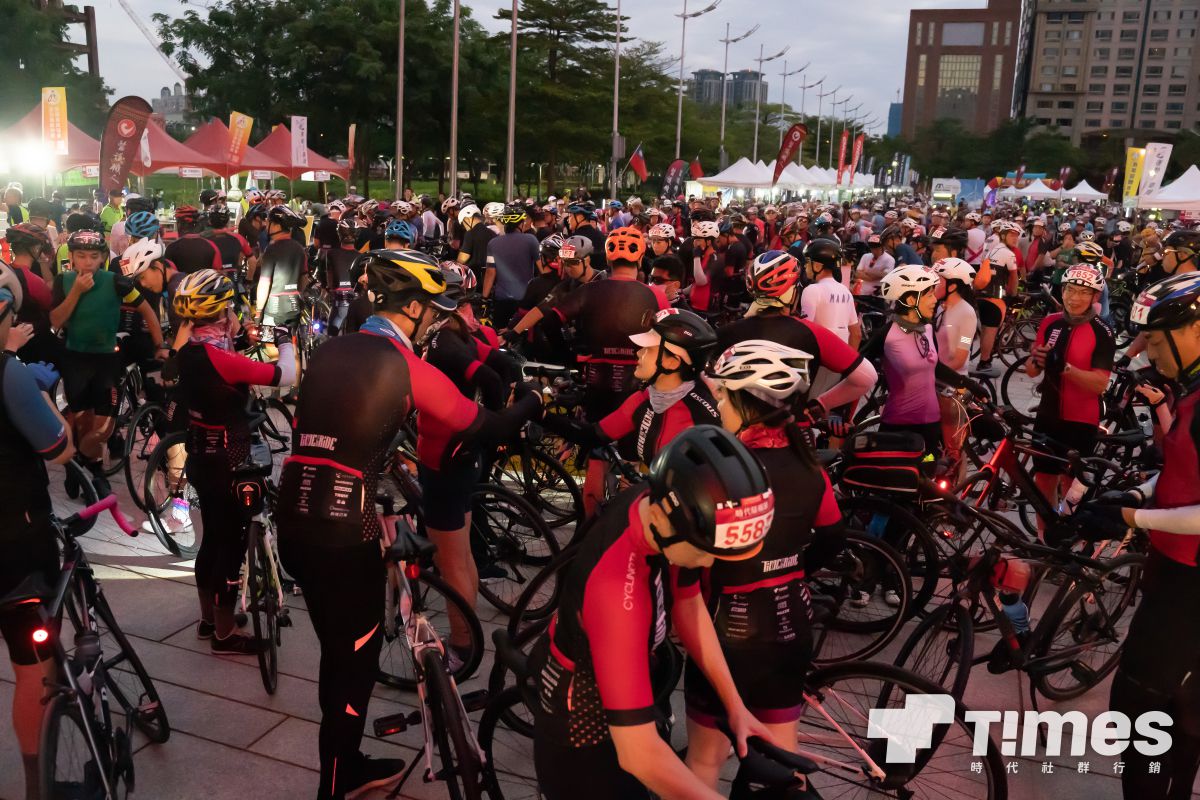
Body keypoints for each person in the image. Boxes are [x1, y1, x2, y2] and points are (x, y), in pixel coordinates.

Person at [276, 250, 542, 800]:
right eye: (435, 312)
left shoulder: (328, 349)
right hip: (345, 533)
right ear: (415, 307)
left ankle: (345, 762)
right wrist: (535, 401)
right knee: (353, 668)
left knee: (335, 651)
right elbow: (486, 426)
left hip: (292, 518)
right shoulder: (408, 367)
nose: (440, 321)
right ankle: (338, 783)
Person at [532, 426, 779, 800]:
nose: (712, 563)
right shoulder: (616, 590)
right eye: (707, 552)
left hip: (629, 668)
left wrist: (735, 705)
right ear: (665, 522)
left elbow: (688, 601)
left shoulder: (661, 511)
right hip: (583, 726)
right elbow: (639, 754)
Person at [685, 339, 847, 789]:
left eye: (723, 395)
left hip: (724, 631)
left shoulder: (719, 472)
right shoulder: (810, 468)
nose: (717, 403)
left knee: (703, 763)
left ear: (747, 403)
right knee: (783, 767)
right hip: (791, 623)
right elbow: (833, 537)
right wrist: (792, 566)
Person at [1069, 272, 1200, 800]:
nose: (1148, 354)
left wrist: (1133, 521)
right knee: (1181, 708)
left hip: (1190, 583)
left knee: (1140, 709)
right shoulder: (1190, 390)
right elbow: (1183, 471)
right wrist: (1140, 496)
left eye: (1157, 339)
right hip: (1174, 569)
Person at [170, 269, 296, 652]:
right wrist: (288, 342)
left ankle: (209, 620)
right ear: (222, 313)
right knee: (232, 543)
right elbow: (286, 376)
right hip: (230, 456)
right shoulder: (221, 359)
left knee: (212, 538)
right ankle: (226, 633)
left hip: (201, 454)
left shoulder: (190, 351)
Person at [0, 265, 75, 800]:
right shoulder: (9, 373)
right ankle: (37, 787)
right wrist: (44, 392)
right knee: (33, 669)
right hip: (14, 548)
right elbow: (59, 448)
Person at [533, 227, 667, 514]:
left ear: (607, 258)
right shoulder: (654, 294)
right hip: (636, 386)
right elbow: (668, 336)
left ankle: (589, 526)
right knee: (630, 460)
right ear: (641, 258)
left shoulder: (590, 290)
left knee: (597, 451)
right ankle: (620, 524)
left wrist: (568, 355)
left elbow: (548, 321)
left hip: (595, 381)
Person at [50, 230, 166, 493]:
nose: (88, 262)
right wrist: (77, 292)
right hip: (75, 361)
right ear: (72, 257)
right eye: (81, 256)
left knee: (103, 430)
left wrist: (160, 346)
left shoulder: (116, 282)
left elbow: (147, 310)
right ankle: (91, 469)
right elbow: (56, 320)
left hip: (107, 361)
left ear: (103, 257)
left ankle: (79, 462)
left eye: (94, 256)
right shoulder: (63, 281)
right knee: (82, 423)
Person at [542, 308, 721, 465]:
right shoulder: (644, 398)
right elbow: (592, 436)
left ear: (672, 363)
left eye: (648, 349)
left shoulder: (704, 415)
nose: (639, 352)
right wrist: (539, 413)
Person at [1025, 265, 1114, 539]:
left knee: (1072, 486)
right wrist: (1036, 359)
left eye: (1083, 293)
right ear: (1062, 290)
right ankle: (1044, 539)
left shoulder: (1102, 331)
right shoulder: (1050, 322)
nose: (1074, 298)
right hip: (1048, 414)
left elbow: (1100, 383)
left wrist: (1065, 368)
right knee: (1043, 482)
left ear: (1095, 297)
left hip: (1081, 419)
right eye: (1070, 290)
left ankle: (1067, 540)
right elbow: (1031, 370)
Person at [878, 264, 944, 458]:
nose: (935, 300)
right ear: (910, 299)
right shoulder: (887, 334)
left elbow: (937, 368)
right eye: (929, 295)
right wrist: (839, 412)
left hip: (931, 425)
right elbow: (857, 368)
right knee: (895, 482)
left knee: (929, 471)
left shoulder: (928, 329)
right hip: (897, 426)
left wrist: (970, 385)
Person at [931, 257, 979, 477]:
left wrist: (936, 374)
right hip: (933, 382)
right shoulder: (938, 307)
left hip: (952, 386)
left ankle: (956, 491)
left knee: (954, 446)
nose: (934, 284)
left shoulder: (966, 312)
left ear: (953, 285)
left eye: (938, 280)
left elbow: (961, 355)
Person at [975, 220, 1022, 376]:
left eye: (1017, 235)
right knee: (990, 332)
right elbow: (1014, 278)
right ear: (1003, 235)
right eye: (1011, 235)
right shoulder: (1009, 254)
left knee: (984, 331)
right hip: (995, 299)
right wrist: (1014, 295)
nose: (1015, 238)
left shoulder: (993, 250)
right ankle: (984, 362)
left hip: (981, 296)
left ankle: (982, 358)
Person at [482, 203, 540, 329]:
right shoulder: (531, 240)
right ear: (520, 224)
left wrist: (484, 298)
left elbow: (490, 273)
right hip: (525, 298)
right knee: (522, 333)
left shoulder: (493, 243)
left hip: (501, 299)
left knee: (498, 333)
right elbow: (541, 268)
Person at [799, 239, 861, 348]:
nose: (804, 266)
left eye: (808, 262)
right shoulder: (845, 291)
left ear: (818, 266)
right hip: (842, 359)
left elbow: (804, 333)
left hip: (821, 360)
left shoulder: (812, 290)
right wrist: (849, 362)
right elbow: (856, 334)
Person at [255, 205, 308, 330]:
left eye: (269, 222)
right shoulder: (299, 248)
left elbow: (264, 283)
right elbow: (304, 277)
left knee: (271, 346)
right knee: (291, 341)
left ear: (277, 226)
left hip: (274, 306)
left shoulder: (272, 249)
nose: (266, 225)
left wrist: (258, 311)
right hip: (294, 304)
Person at [164, 205, 223, 275]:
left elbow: (167, 276)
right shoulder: (211, 247)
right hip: (205, 285)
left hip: (179, 285)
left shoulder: (171, 248)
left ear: (179, 224)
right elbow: (219, 274)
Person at [455, 204, 495, 284]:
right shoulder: (492, 233)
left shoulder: (470, 234)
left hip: (474, 278)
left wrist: (454, 265)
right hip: (490, 278)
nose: (464, 227)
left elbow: (462, 259)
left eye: (463, 223)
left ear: (468, 219)